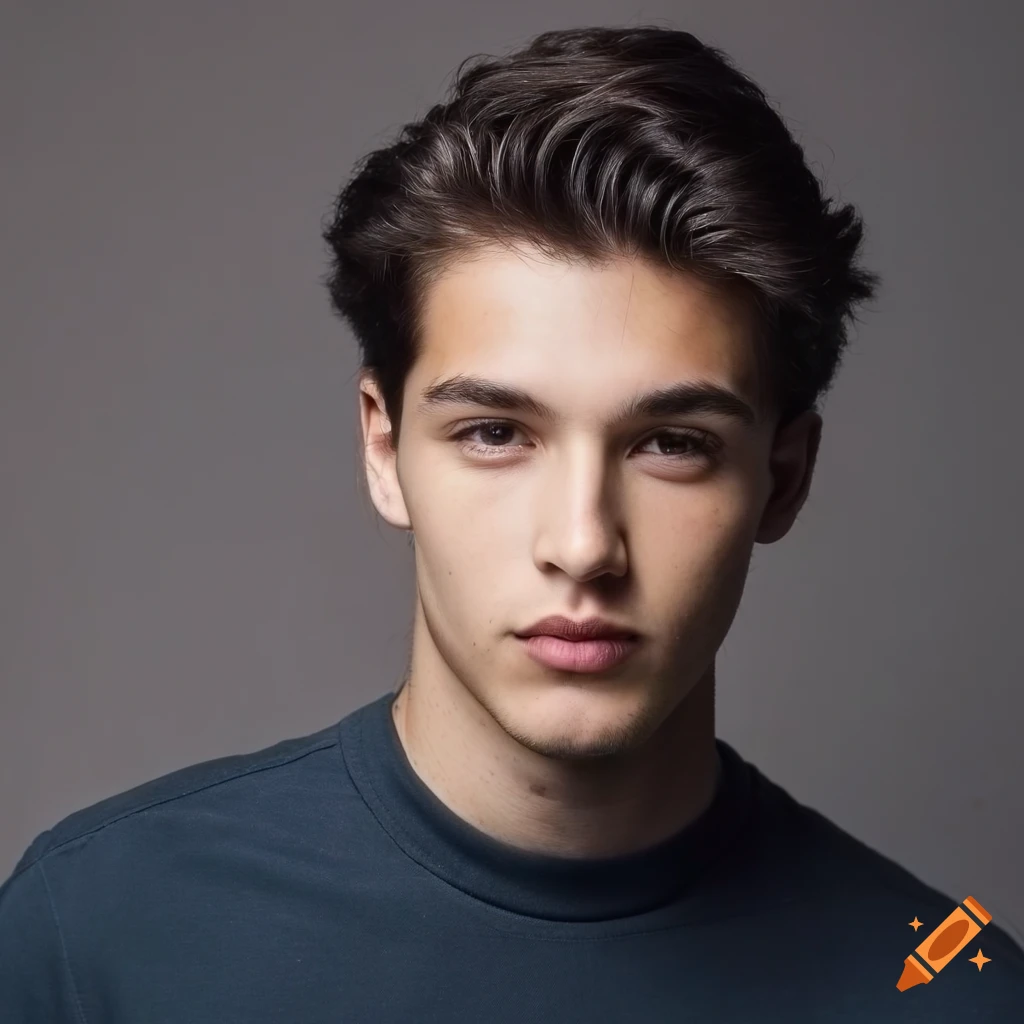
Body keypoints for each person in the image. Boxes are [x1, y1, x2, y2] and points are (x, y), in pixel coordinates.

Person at [2, 23, 1022, 1023]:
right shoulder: (97, 933)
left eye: (670, 442)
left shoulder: (943, 992)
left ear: (783, 477)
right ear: (382, 446)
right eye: (495, 432)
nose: (581, 545)